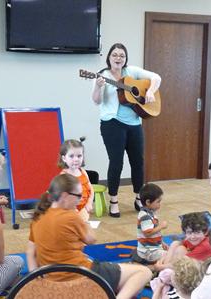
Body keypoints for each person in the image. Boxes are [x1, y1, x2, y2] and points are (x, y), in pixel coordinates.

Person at [26, 173, 152, 299]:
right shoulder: (71, 216)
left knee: (126, 284)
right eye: (78, 196)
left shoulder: (38, 217)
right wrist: (85, 219)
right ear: (65, 195)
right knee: (144, 272)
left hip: (52, 278)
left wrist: (36, 280)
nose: (81, 199)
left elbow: (30, 252)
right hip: (82, 273)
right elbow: (91, 240)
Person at [91, 43, 162, 217]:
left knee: (138, 161)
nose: (118, 58)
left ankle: (139, 197)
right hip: (112, 123)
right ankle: (113, 201)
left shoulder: (132, 72)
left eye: (121, 55)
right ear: (109, 57)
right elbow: (96, 101)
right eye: (114, 55)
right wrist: (98, 86)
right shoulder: (102, 76)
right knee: (116, 162)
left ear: (125, 58)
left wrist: (151, 91)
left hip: (134, 123)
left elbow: (157, 78)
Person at [58, 137, 94, 221]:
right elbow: (62, 198)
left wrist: (89, 203)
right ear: (64, 158)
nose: (76, 159)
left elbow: (90, 189)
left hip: (84, 210)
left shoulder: (83, 172)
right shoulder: (64, 176)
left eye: (79, 156)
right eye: (71, 156)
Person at [135, 183, 168, 264]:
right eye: (158, 202)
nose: (159, 204)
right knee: (170, 256)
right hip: (148, 252)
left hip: (153, 248)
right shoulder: (145, 216)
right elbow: (148, 233)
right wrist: (161, 226)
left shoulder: (151, 213)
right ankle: (156, 269)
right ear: (148, 202)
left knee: (171, 250)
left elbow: (154, 233)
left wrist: (161, 243)